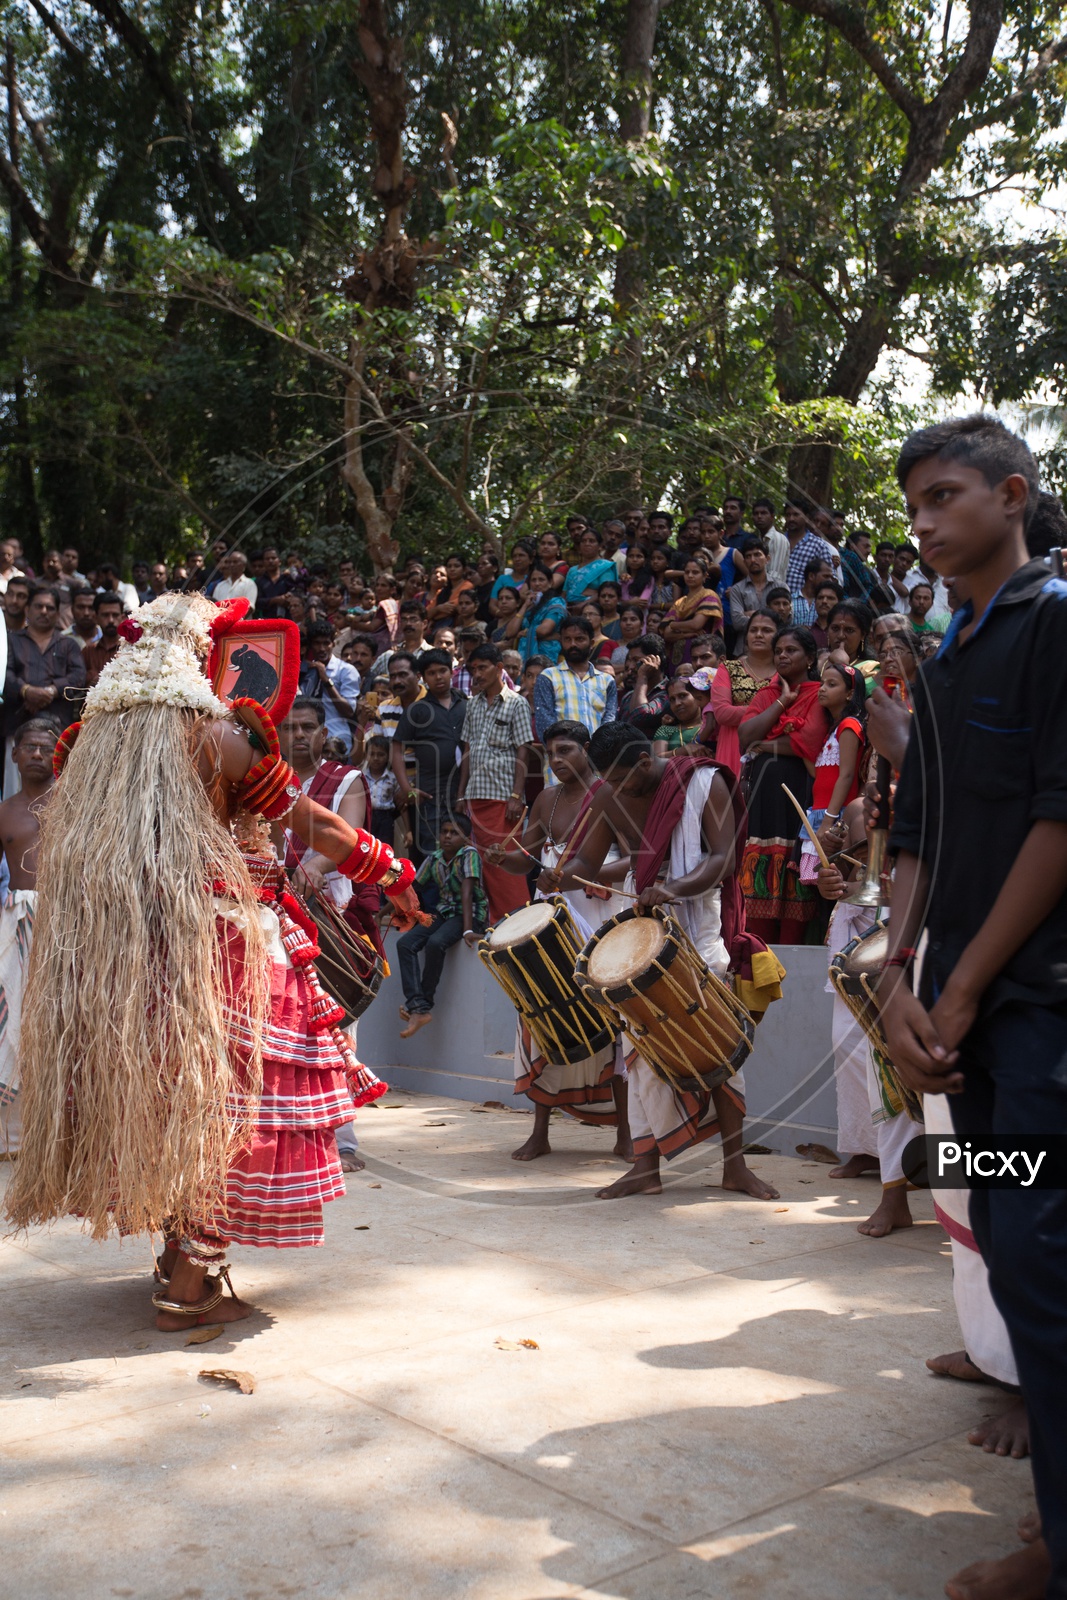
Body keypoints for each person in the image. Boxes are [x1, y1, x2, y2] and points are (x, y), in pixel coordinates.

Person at [5, 592, 420, 1329]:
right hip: (224, 942)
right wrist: (392, 873)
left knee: (168, 1106)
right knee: (238, 1113)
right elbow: (315, 823)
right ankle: (190, 1285)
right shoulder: (217, 737)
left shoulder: (93, 743)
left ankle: (176, 1260)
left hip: (130, 954)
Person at [870, 414, 1067, 1600]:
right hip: (968, 1023)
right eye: (912, 509)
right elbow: (915, 840)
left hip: (1038, 1009)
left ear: (1011, 493)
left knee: (1038, 1247)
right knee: (1003, 1235)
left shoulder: (1054, 626)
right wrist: (896, 975)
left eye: (944, 497)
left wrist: (957, 980)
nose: (925, 524)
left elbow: (1058, 823)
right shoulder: (942, 662)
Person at [540, 722, 781, 1202]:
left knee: (719, 1047)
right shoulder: (610, 792)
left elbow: (724, 859)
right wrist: (557, 877)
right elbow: (587, 866)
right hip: (644, 931)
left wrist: (672, 887)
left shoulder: (702, 782)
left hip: (698, 927)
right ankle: (645, 1168)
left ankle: (736, 1166)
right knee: (640, 1050)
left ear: (645, 763)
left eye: (625, 779)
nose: (618, 788)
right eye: (610, 780)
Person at [484, 720, 632, 1159]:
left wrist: (577, 877)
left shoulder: (610, 793)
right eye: (551, 754)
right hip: (550, 923)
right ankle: (540, 1132)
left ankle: (625, 1134)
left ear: (587, 749)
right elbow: (523, 859)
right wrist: (499, 855)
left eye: (566, 750)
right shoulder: (546, 798)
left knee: (614, 1022)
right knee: (540, 1013)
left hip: (600, 917)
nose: (557, 761)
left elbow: (629, 863)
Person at [279, 695, 383, 1173]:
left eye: (308, 728)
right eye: (290, 728)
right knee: (280, 1030)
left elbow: (352, 838)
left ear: (323, 733)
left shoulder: (347, 780)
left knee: (336, 1026)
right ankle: (290, 1136)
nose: (299, 735)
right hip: (271, 916)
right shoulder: (265, 780)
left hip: (329, 915)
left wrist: (316, 864)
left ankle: (342, 1140)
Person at [737, 625, 827, 943]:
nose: (783, 656)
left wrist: (765, 743)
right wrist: (781, 704)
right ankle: (757, 955)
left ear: (810, 657)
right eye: (779, 651)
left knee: (794, 863)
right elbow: (745, 736)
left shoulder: (820, 692)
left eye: (791, 650)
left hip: (800, 793)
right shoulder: (767, 695)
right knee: (760, 866)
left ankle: (791, 955)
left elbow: (809, 741)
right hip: (763, 796)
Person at [0, 718, 58, 1156]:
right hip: (15, 925)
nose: (37, 754)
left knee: (61, 1021)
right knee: (12, 1024)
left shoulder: (78, 807)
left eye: (45, 747)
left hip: (67, 926)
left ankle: (61, 1135)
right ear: (16, 755)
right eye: (30, 747)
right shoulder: (4, 812)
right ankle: (13, 1138)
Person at [456, 643, 536, 920]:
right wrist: (460, 794)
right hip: (475, 795)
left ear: (499, 668)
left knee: (505, 862)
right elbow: (467, 751)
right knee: (487, 864)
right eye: (472, 669)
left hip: (503, 797)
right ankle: (499, 922)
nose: (476, 674)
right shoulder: (472, 704)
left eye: (482, 667)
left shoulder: (517, 702)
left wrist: (516, 796)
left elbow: (523, 750)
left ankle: (519, 921)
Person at [397, 816, 488, 1037]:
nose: (447, 836)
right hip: (444, 911)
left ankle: (423, 1006)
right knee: (405, 943)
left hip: (470, 913)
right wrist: (388, 911)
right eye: (444, 831)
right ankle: (417, 1005)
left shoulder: (469, 854)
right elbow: (413, 887)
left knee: (435, 943)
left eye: (454, 832)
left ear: (465, 838)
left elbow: (467, 892)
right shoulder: (434, 859)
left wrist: (468, 929)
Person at [4, 585, 84, 795]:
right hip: (17, 728)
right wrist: (26, 691)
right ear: (28, 609)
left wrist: (50, 691)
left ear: (58, 613)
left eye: (50, 607)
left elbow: (78, 676)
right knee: (14, 790)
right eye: (38, 606)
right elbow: (5, 674)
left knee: (55, 796)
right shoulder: (10, 641)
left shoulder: (69, 645)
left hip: (56, 731)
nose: (44, 611)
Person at [391, 646, 467, 859]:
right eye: (431, 673)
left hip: (462, 792)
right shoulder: (417, 710)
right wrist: (407, 788)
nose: (438, 677)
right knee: (432, 853)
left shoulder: (465, 705)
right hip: (429, 796)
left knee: (462, 852)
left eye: (442, 671)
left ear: (451, 671)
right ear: (423, 677)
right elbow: (396, 749)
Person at [704, 608, 779, 777]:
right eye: (753, 630)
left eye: (766, 630)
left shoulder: (784, 673)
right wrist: (773, 711)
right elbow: (722, 713)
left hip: (771, 752)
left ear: (779, 637)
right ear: (746, 636)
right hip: (732, 749)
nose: (758, 634)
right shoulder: (728, 669)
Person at [533, 617, 618, 751]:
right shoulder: (548, 677)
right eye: (567, 639)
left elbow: (609, 722)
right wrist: (566, 751)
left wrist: (597, 750)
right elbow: (545, 723)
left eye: (579, 639)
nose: (573, 644)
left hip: (597, 761)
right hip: (560, 762)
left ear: (591, 643)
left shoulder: (607, 681)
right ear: (561, 642)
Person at [298, 620, 361, 743]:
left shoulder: (346, 671)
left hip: (338, 739)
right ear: (310, 645)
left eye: (326, 643)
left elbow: (348, 711)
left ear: (333, 643)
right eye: (317, 643)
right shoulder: (306, 671)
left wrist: (326, 681)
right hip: (309, 740)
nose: (322, 649)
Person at [661, 556, 723, 669]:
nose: (690, 576)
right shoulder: (680, 602)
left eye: (695, 572)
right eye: (687, 572)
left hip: (701, 655)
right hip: (676, 656)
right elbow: (667, 634)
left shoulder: (709, 595)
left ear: (705, 576)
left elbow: (696, 624)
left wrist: (674, 625)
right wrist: (688, 634)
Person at [617, 631, 670, 738]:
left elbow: (639, 716)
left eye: (636, 660)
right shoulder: (628, 696)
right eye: (630, 660)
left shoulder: (669, 693)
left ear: (654, 660)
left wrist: (643, 676)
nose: (631, 666)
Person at [783, 500, 837, 593]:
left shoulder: (818, 545)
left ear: (806, 518)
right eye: (788, 515)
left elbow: (831, 578)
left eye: (796, 515)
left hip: (805, 602)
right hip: (778, 601)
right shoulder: (778, 541)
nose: (791, 519)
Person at [562, 526, 617, 610]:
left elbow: (607, 593)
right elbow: (564, 594)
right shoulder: (572, 570)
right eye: (583, 541)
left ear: (600, 546)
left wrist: (584, 604)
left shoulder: (604, 567)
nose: (587, 544)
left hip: (592, 611)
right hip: (570, 611)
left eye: (591, 541)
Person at [363, 734, 403, 845]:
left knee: (385, 848)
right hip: (366, 817)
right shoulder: (360, 777)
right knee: (365, 847)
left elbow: (402, 805)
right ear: (366, 755)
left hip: (386, 819)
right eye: (372, 754)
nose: (376, 758)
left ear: (388, 756)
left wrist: (408, 831)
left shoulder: (393, 778)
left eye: (380, 754)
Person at [653, 673, 707, 757]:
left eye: (682, 696)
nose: (677, 703)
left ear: (698, 696)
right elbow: (656, 759)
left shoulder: (712, 727)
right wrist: (685, 750)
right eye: (672, 699)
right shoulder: (666, 730)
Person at [726, 538, 772, 633]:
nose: (753, 560)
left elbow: (786, 619)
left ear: (767, 559)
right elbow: (737, 622)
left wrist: (750, 614)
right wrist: (770, 617)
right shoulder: (737, 589)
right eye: (748, 556)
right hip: (744, 646)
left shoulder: (780, 586)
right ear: (744, 562)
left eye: (757, 555)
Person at [83, 592, 125, 687]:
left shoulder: (131, 649)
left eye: (115, 615)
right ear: (96, 618)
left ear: (122, 618)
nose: (110, 620)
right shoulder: (87, 652)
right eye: (105, 615)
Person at [751, 499, 790, 586]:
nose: (759, 516)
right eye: (756, 513)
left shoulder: (778, 539)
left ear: (772, 517)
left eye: (763, 513)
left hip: (773, 592)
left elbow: (775, 574)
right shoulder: (758, 540)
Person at [790, 557, 836, 626]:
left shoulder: (828, 603)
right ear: (811, 576)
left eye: (831, 577)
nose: (830, 580)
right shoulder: (790, 601)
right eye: (826, 576)